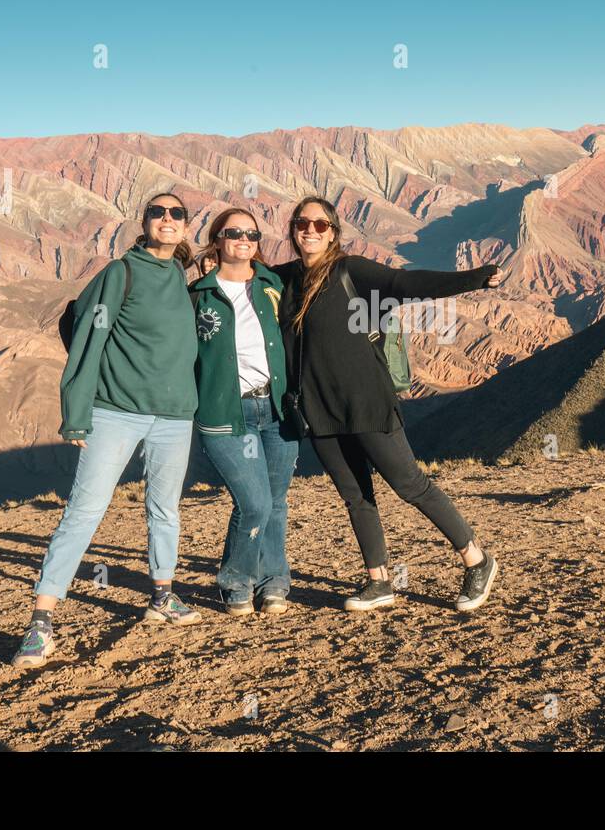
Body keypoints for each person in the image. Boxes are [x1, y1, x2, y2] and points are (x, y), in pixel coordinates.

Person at [273, 195, 503, 612]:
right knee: (355, 496)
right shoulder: (283, 280)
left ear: (333, 234)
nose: (309, 230)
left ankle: (477, 559)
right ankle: (378, 582)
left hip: (367, 403)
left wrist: (472, 278)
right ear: (292, 229)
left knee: (409, 485)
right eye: (302, 223)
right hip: (318, 410)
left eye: (320, 225)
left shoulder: (350, 272)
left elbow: (405, 284)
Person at [12, 192, 201, 669]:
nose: (167, 219)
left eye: (176, 213)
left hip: (175, 416)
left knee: (165, 510)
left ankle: (163, 594)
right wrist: (76, 409)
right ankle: (40, 622)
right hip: (116, 412)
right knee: (85, 510)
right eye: (157, 212)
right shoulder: (121, 273)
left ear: (185, 225)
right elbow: (89, 339)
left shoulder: (181, 277)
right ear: (143, 222)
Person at [190, 207, 299, 616]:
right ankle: (235, 580)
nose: (243, 239)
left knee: (277, 500)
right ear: (216, 239)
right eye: (233, 232)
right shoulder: (199, 295)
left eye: (252, 234)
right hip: (225, 412)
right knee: (254, 503)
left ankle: (273, 582)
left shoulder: (273, 285)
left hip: (276, 408)